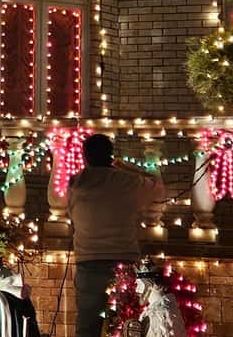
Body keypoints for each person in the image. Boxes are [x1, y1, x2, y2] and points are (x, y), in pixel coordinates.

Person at [67, 134, 165, 337]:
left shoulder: (76, 184)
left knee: (88, 326)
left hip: (88, 263)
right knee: (125, 325)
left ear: (85, 156)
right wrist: (126, 167)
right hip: (124, 261)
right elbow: (157, 186)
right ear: (111, 156)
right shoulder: (128, 181)